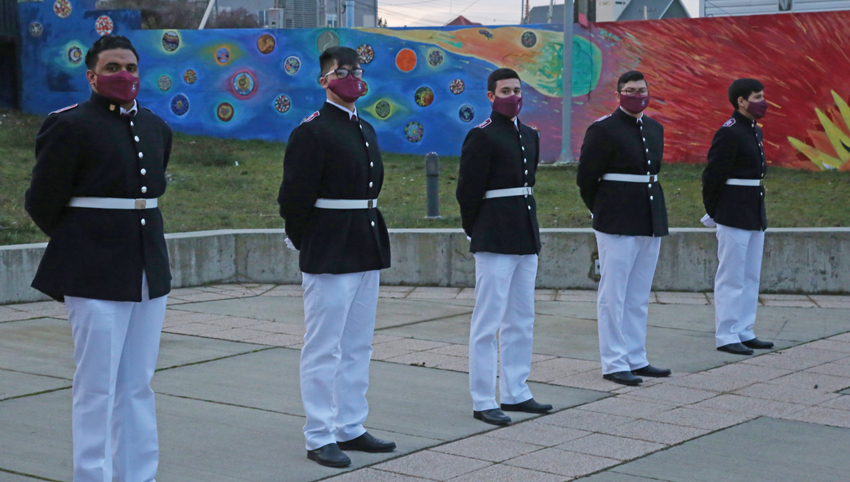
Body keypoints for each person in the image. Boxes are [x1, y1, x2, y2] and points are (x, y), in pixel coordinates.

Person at [25, 35, 172, 481]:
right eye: (111, 67)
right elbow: (42, 201)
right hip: (92, 270)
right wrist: (83, 243)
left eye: (129, 66)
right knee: (96, 387)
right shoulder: (68, 125)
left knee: (137, 385)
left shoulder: (155, 126)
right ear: (91, 76)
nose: (123, 74)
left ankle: (138, 475)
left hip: (148, 265)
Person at [277, 46, 395, 468]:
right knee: (324, 346)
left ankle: (351, 425)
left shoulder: (365, 127)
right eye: (341, 71)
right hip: (329, 245)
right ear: (323, 80)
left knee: (358, 343)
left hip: (364, 241)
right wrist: (305, 240)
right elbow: (294, 197)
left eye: (357, 70)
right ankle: (319, 433)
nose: (351, 77)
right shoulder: (312, 131)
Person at [456, 68, 552, 426]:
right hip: (494, 235)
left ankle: (516, 390)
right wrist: (476, 230)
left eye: (517, 89)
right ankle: (483, 398)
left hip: (525, 234)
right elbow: (467, 191)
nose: (513, 96)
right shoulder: (481, 136)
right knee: (488, 321)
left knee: (521, 318)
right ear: (491, 96)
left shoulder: (530, 135)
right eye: (505, 90)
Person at [576, 70, 672, 387]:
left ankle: (635, 357)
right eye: (630, 90)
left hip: (649, 216)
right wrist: (601, 210)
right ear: (618, 95)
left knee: (639, 294)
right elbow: (586, 179)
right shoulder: (603, 129)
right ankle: (614, 362)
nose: (637, 95)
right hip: (616, 218)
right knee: (613, 294)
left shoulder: (655, 128)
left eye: (642, 89)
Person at [701, 78, 774, 356]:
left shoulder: (754, 131)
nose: (762, 101)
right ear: (741, 101)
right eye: (756, 97)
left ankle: (745, 329)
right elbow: (713, 176)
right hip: (733, 211)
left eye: (762, 96)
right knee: (731, 275)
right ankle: (727, 334)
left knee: (750, 275)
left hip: (753, 209)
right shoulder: (729, 132)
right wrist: (715, 211)